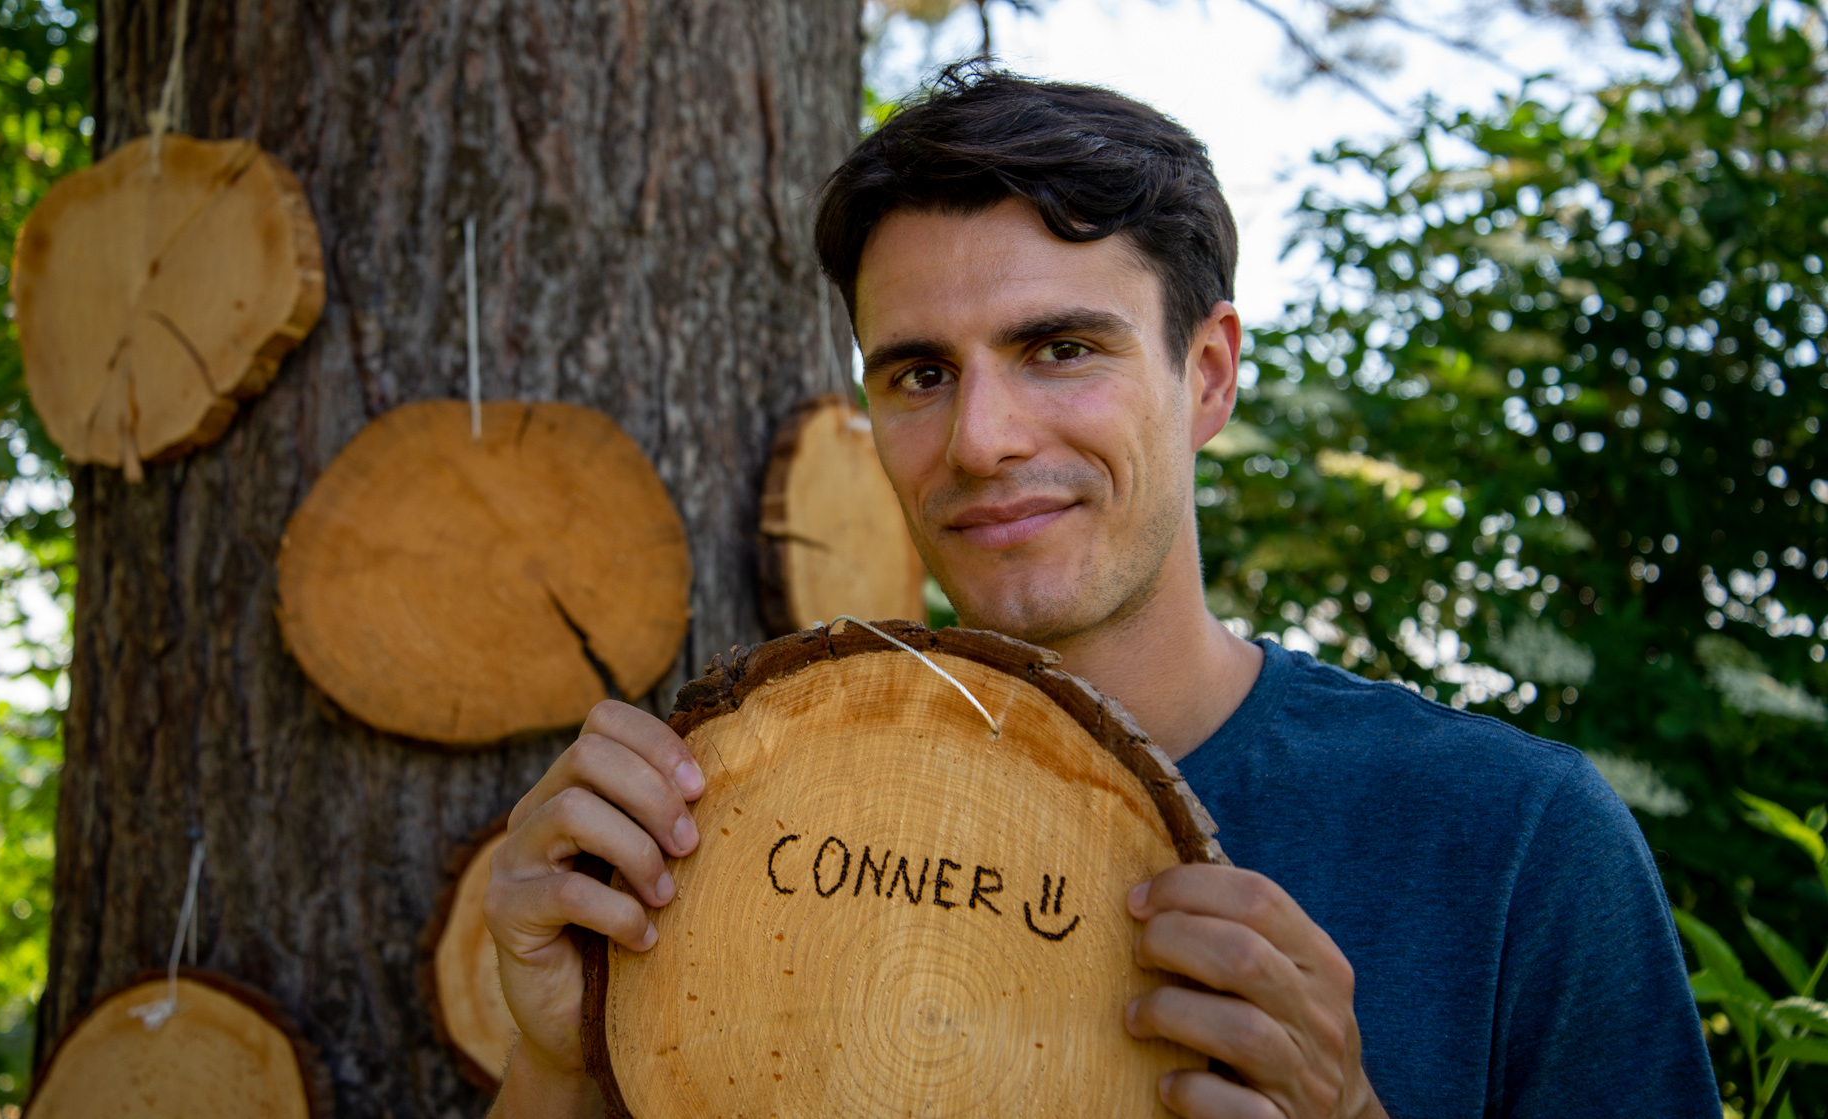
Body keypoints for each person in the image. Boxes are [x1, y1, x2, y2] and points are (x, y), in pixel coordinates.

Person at [482, 66, 1720, 1119]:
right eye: (918, 373)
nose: (981, 439)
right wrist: (558, 1066)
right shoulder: (717, 838)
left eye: (1059, 349)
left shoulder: (1515, 847)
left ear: (1211, 375)